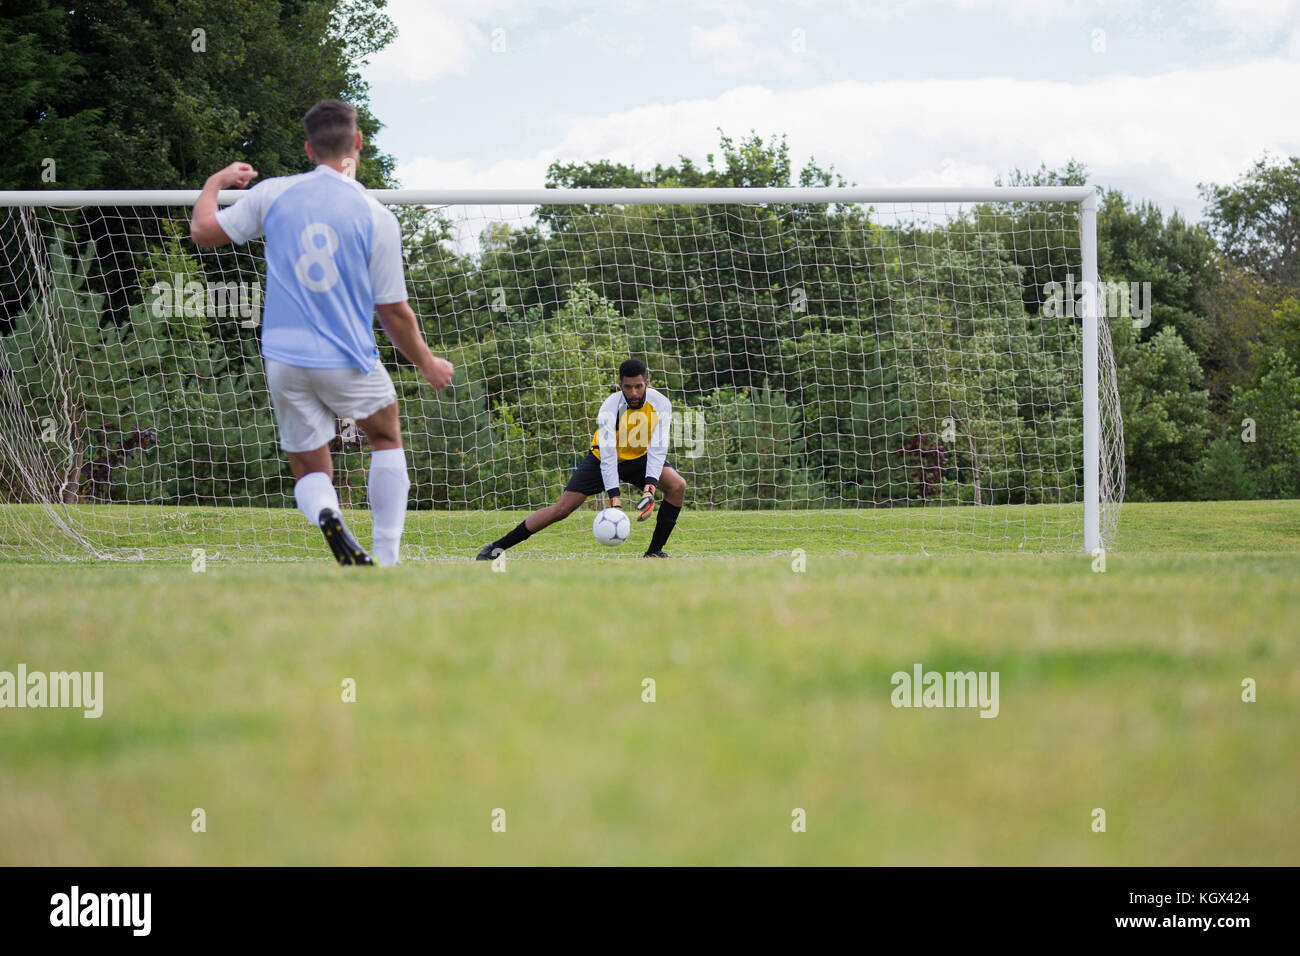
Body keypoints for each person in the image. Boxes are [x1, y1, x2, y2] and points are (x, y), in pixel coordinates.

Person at [189, 99, 453, 565]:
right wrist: (427, 363)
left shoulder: (273, 194)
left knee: (310, 468)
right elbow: (393, 311)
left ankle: (329, 512)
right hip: (347, 357)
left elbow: (204, 231)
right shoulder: (376, 216)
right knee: (385, 438)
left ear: (309, 150)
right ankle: (387, 558)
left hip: (284, 360)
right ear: (357, 142)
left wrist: (215, 182)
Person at [477, 358, 686, 560]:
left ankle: (653, 553)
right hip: (602, 459)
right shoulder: (610, 407)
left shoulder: (661, 404)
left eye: (638, 387)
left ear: (646, 384)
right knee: (561, 509)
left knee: (677, 486)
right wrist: (615, 498)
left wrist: (649, 489)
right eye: (628, 387)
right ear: (620, 385)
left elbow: (658, 449)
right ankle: (496, 548)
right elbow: (608, 457)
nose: (633, 393)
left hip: (640, 458)